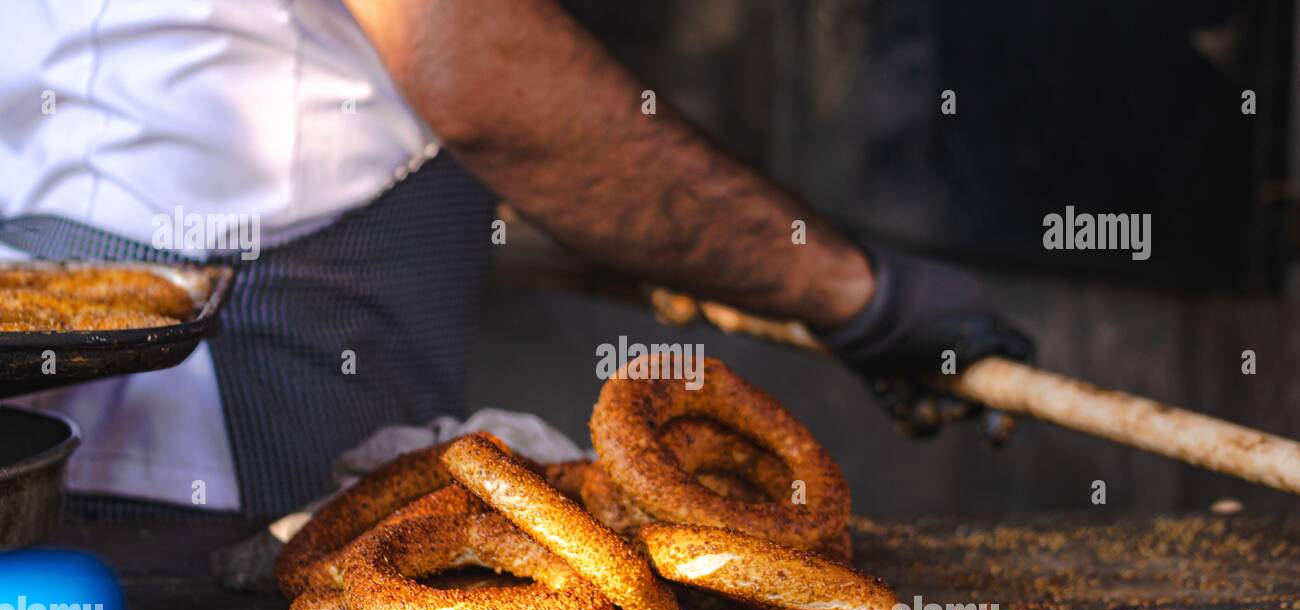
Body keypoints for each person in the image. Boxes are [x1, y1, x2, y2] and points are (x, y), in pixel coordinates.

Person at [0, 0, 1030, 520]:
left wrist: (655, 246)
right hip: (213, 445)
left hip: (79, 438)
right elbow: (483, 74)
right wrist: (856, 291)